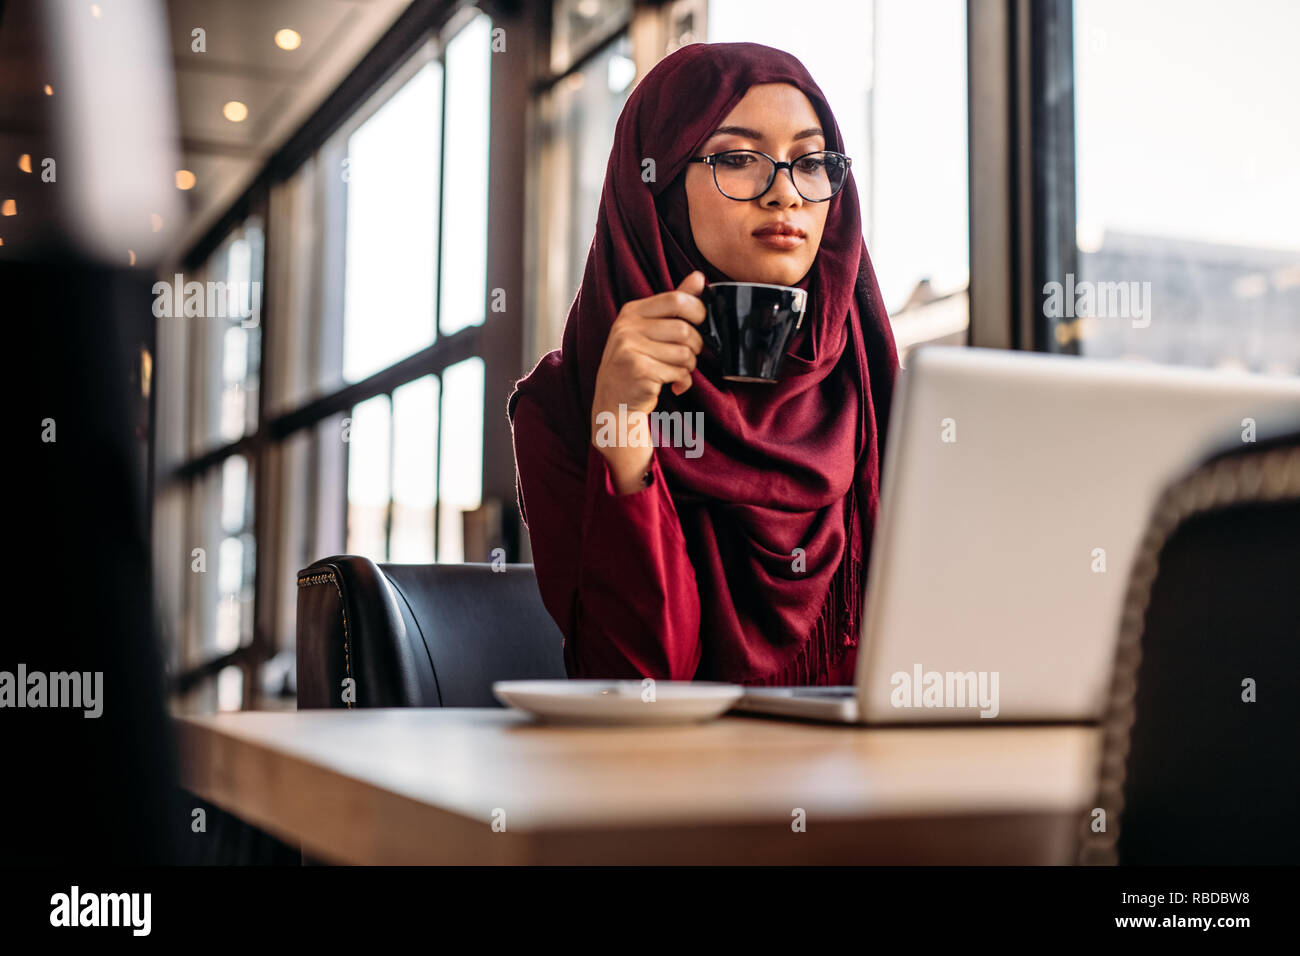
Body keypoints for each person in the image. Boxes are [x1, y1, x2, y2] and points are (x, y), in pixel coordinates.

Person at [508, 42, 898, 686]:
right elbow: (641, 684)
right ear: (654, 190)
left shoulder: (870, 382)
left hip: (872, 780)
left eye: (810, 162)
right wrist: (625, 431)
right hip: (674, 780)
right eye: (739, 158)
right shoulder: (567, 402)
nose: (784, 195)